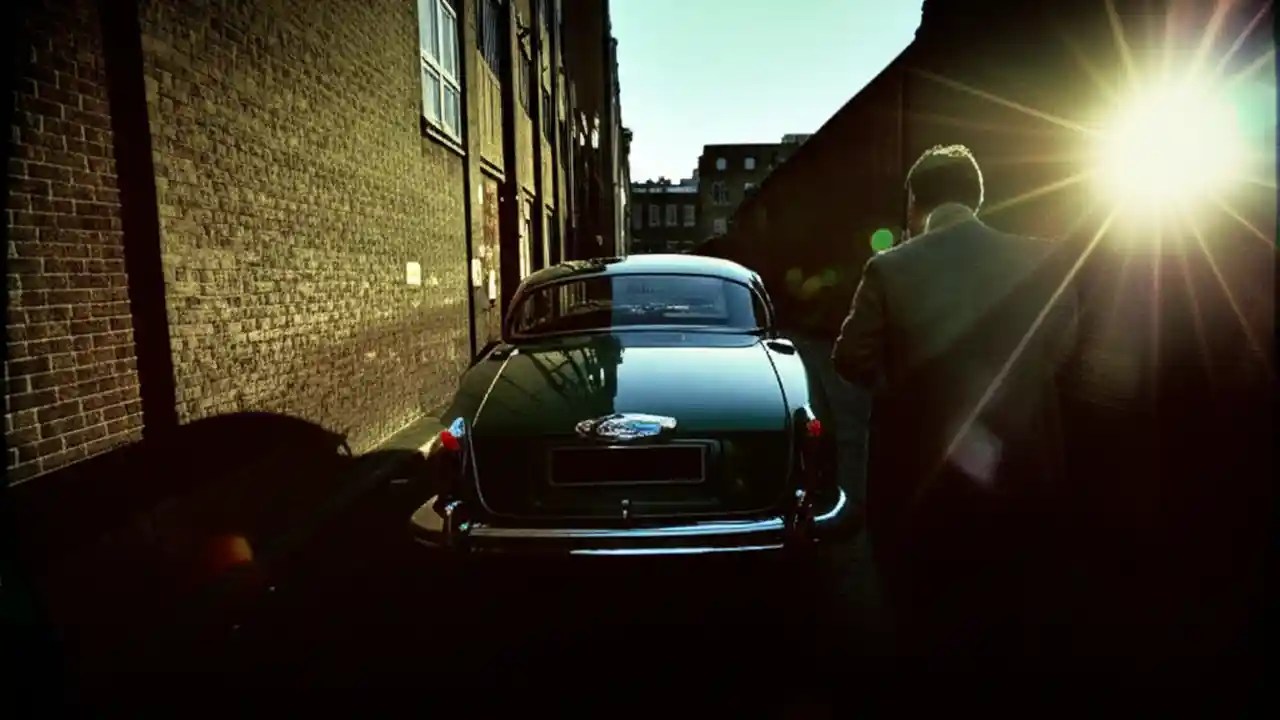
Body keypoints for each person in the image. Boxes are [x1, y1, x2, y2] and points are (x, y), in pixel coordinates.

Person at [832, 144, 1079, 666]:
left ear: (915, 202)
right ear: (977, 197)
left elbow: (850, 359)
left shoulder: (890, 269)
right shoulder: (1042, 258)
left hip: (920, 472)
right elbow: (1062, 350)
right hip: (1021, 465)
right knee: (1011, 610)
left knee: (925, 614)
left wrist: (903, 382)